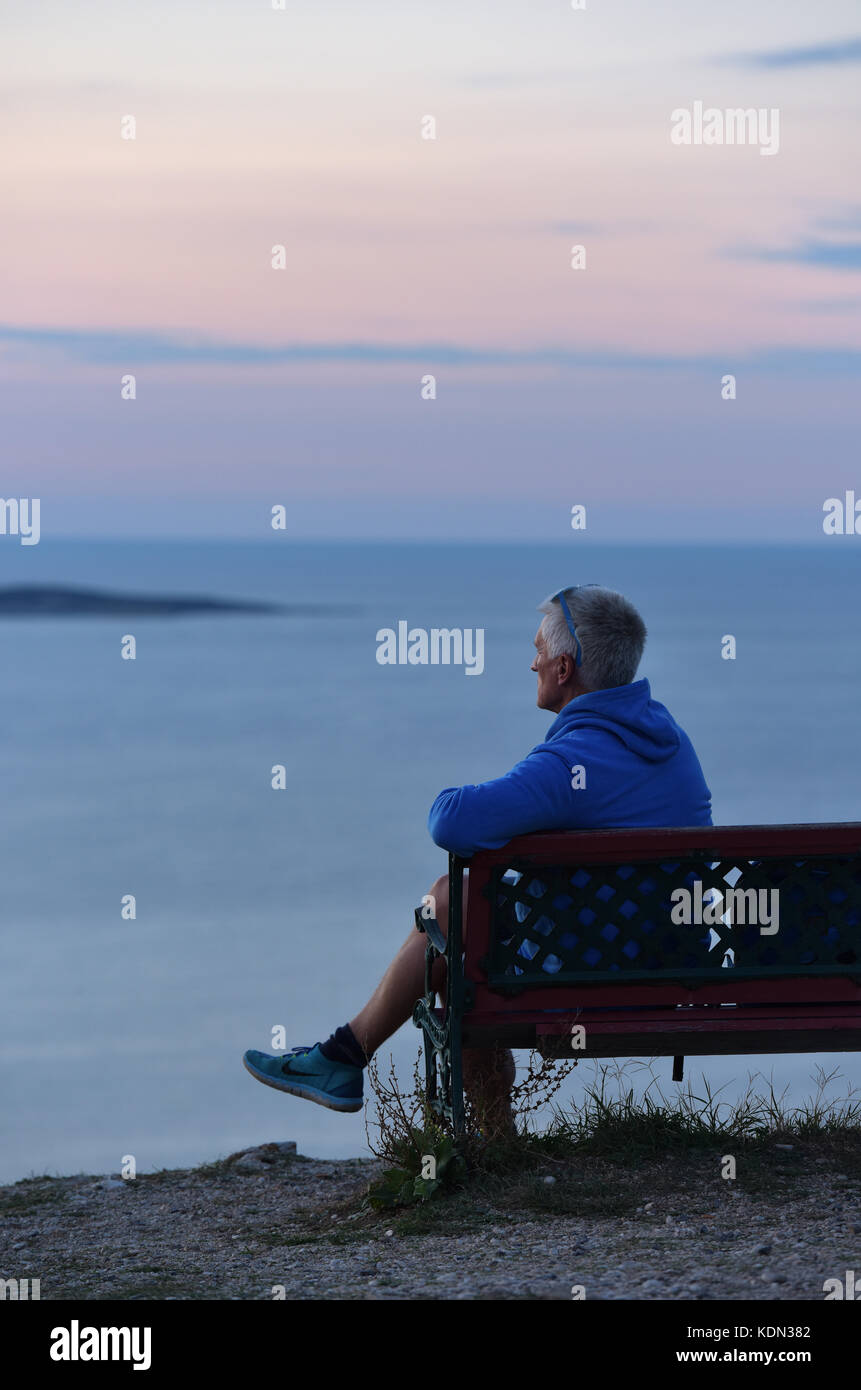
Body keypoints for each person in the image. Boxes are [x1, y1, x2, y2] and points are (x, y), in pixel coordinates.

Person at [243, 584, 712, 1125]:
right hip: (675, 965)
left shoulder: (571, 763)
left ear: (565, 667)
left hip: (600, 976)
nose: (530, 662)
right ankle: (353, 1061)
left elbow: (451, 821)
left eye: (539, 650)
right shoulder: (670, 741)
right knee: (464, 912)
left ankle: (369, 1071)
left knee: (452, 909)